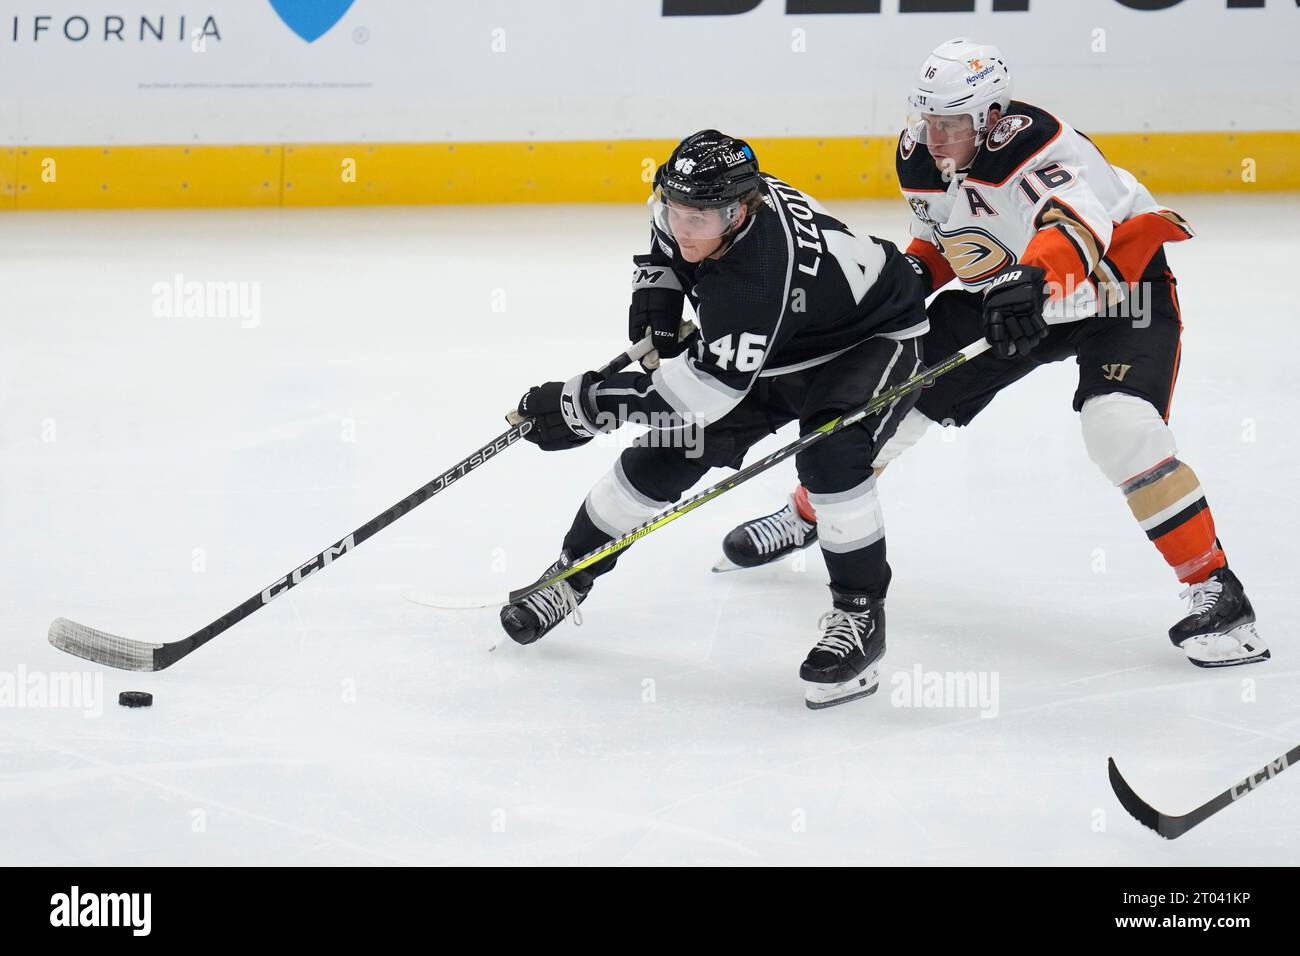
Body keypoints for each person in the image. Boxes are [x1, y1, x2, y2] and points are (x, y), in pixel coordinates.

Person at [717, 38, 1267, 669]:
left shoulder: (1036, 144)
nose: (935, 136)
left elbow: (1076, 227)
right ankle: (811, 512)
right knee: (889, 402)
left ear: (991, 118)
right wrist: (885, 293)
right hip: (1004, 295)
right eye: (927, 120)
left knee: (1120, 426)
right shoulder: (922, 158)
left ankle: (1216, 589)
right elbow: (945, 244)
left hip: (1117, 292)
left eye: (950, 123)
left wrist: (1035, 279)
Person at [499, 130, 929, 708]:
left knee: (831, 456)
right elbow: (665, 246)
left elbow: (702, 395)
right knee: (661, 457)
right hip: (777, 344)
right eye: (675, 209)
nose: (683, 228)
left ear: (741, 212)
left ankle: (859, 616)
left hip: (867, 340)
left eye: (699, 218)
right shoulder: (699, 208)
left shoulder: (757, 274)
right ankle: (569, 575)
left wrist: (587, 406)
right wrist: (658, 297)